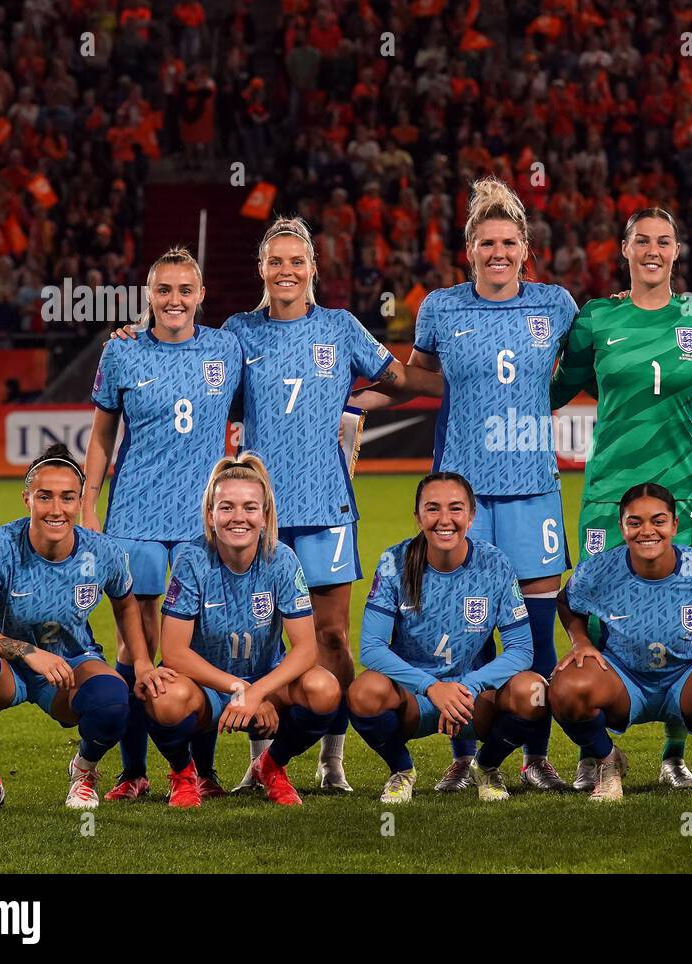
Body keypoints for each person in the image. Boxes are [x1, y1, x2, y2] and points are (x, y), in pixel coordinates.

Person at [350, 177, 578, 793]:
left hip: (532, 487)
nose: (497, 252)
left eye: (509, 242)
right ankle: (465, 758)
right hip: (462, 494)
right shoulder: (440, 308)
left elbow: (589, 360)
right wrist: (354, 400)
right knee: (469, 635)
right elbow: (423, 378)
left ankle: (533, 756)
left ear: (525, 248)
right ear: (469, 250)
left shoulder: (556, 305)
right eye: (486, 243)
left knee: (535, 635)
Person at [224, 216, 442, 791]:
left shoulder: (341, 327)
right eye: (276, 261)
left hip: (326, 507)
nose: (286, 271)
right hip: (259, 515)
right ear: (262, 270)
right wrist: (133, 332)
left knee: (333, 638)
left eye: (297, 261)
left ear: (313, 269)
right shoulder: (238, 331)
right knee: (263, 639)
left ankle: (331, 757)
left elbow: (396, 377)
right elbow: (193, 363)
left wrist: (362, 400)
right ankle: (259, 758)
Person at [551, 207, 692, 791]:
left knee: (685, 614)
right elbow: (549, 388)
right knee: (602, 613)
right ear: (623, 250)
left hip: (680, 486)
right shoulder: (596, 318)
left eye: (664, 241)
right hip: (608, 489)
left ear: (677, 251)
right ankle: (597, 749)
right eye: (642, 241)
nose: (653, 250)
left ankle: (678, 751)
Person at [86, 245, 241, 802]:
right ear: (148, 297)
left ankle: (202, 770)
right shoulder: (122, 355)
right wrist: (88, 505)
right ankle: (133, 771)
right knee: (137, 645)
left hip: (203, 522)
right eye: (163, 290)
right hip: (135, 517)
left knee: (198, 642)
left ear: (201, 296)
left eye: (184, 290)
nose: (173, 300)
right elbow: (103, 435)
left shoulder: (228, 347)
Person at [0, 444, 157, 815]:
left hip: (71, 664)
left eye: (66, 498)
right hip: (8, 667)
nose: (55, 509)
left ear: (79, 503)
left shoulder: (102, 551)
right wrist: (29, 653)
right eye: (44, 497)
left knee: (112, 702)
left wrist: (140, 661)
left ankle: (84, 770)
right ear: (27, 498)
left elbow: (125, 605)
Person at [143, 454, 341, 807]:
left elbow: (306, 650)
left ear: (264, 516)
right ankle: (184, 775)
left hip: (266, 685)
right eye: (227, 507)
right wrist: (241, 689)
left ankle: (272, 766)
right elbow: (173, 652)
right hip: (207, 689)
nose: (239, 518)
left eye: (250, 508)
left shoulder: (281, 559)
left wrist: (259, 692)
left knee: (323, 688)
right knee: (163, 697)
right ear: (210, 515)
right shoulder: (191, 560)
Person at [548, 483, 692, 802]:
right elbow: (566, 601)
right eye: (635, 522)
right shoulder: (599, 569)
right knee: (565, 689)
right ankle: (608, 763)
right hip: (623, 680)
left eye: (658, 521)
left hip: (687, 679)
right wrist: (580, 641)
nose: (647, 531)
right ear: (622, 526)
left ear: (675, 525)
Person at [348, 472, 548, 803]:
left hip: (473, 700)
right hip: (414, 697)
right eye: (432, 509)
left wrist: (470, 685)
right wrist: (430, 686)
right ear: (417, 517)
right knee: (363, 693)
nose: (445, 520)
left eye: (456, 509)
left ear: (471, 516)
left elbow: (521, 650)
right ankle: (402, 771)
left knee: (535, 691)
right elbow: (370, 648)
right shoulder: (393, 561)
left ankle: (487, 765)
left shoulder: (494, 562)